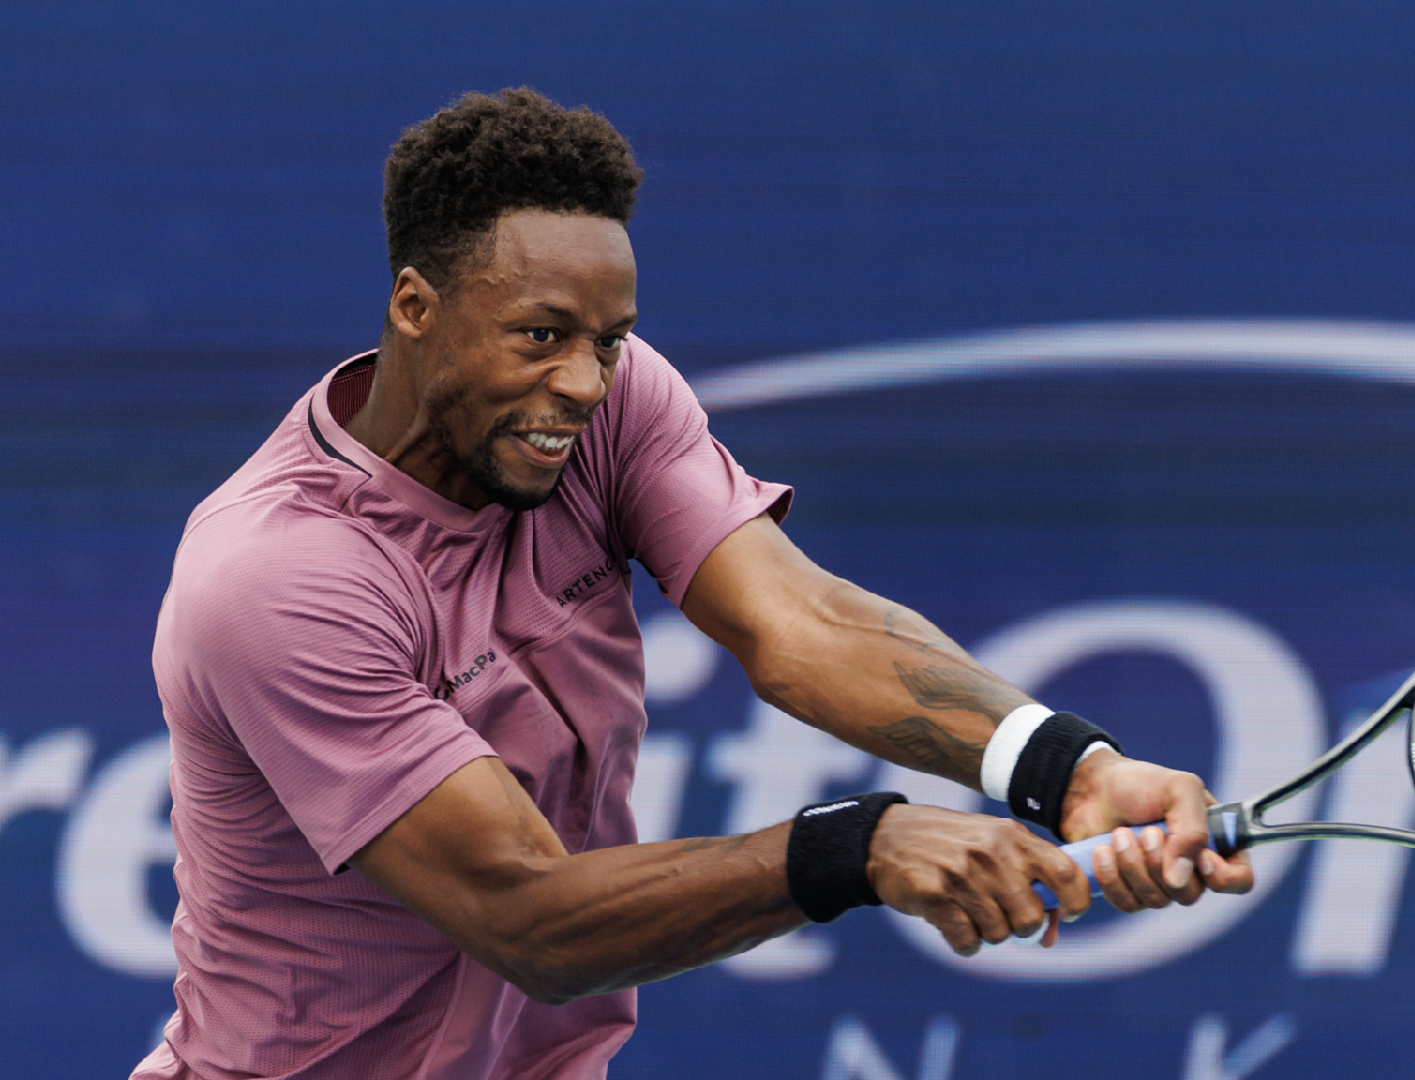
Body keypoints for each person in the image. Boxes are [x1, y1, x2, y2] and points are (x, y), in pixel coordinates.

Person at [134, 87, 1252, 1080]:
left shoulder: (610, 404)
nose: (583, 382)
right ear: (415, 307)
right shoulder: (280, 580)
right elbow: (527, 914)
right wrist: (853, 847)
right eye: (540, 335)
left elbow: (802, 624)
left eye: (608, 340)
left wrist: (1068, 768)